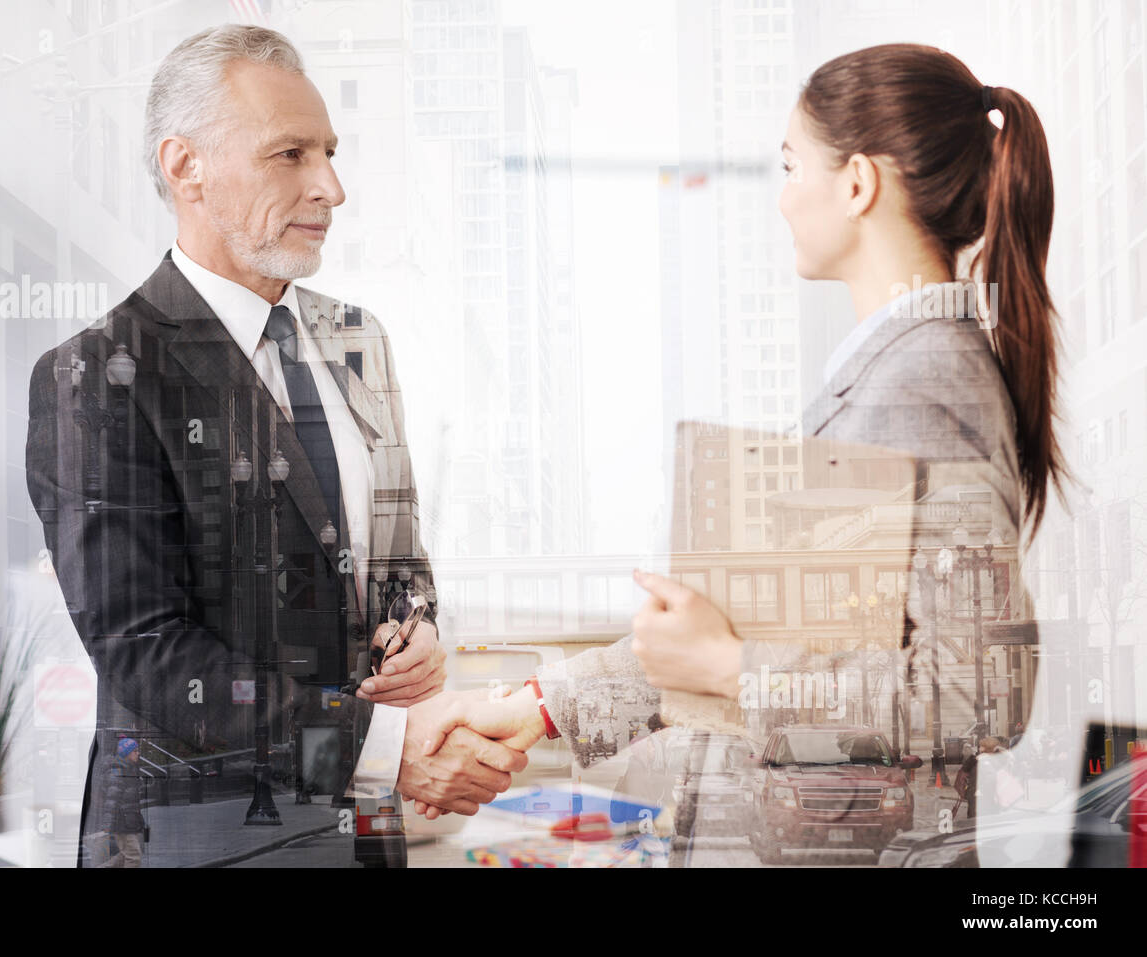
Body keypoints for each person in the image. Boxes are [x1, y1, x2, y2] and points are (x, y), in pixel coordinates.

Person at [419, 44, 1074, 843]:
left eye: (793, 167)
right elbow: (768, 636)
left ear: (859, 183)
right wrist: (540, 705)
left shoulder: (926, 377)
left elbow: (982, 691)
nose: (784, 199)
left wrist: (729, 668)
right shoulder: (891, 369)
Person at [26, 25, 524, 868]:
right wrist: (386, 744)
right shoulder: (95, 374)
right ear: (185, 166)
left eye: (328, 152)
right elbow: (149, 652)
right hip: (199, 835)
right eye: (289, 154)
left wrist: (415, 629)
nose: (331, 186)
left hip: (365, 835)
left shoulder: (359, 340)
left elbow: (399, 565)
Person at [92, 737, 146, 868]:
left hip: (128, 821)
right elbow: (111, 800)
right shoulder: (117, 772)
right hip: (121, 823)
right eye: (135, 751)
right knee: (134, 857)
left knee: (126, 854)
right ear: (126, 753)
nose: (138, 753)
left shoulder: (128, 768)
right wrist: (108, 825)